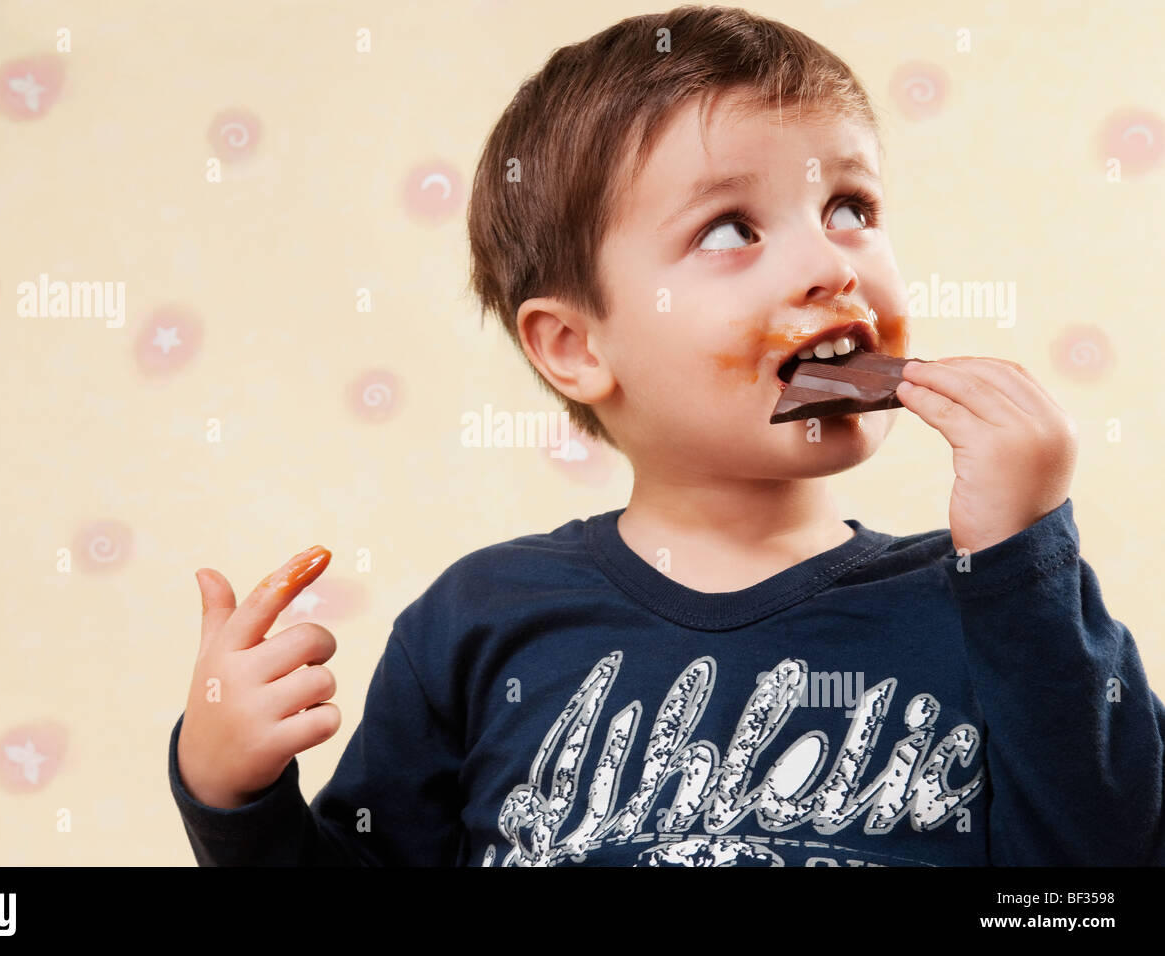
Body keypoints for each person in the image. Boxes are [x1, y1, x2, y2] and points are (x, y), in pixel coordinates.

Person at [168, 5, 1165, 866]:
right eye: (731, 228)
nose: (830, 262)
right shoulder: (476, 621)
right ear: (574, 346)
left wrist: (1025, 560)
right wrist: (232, 795)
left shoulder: (985, 606)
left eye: (850, 205)